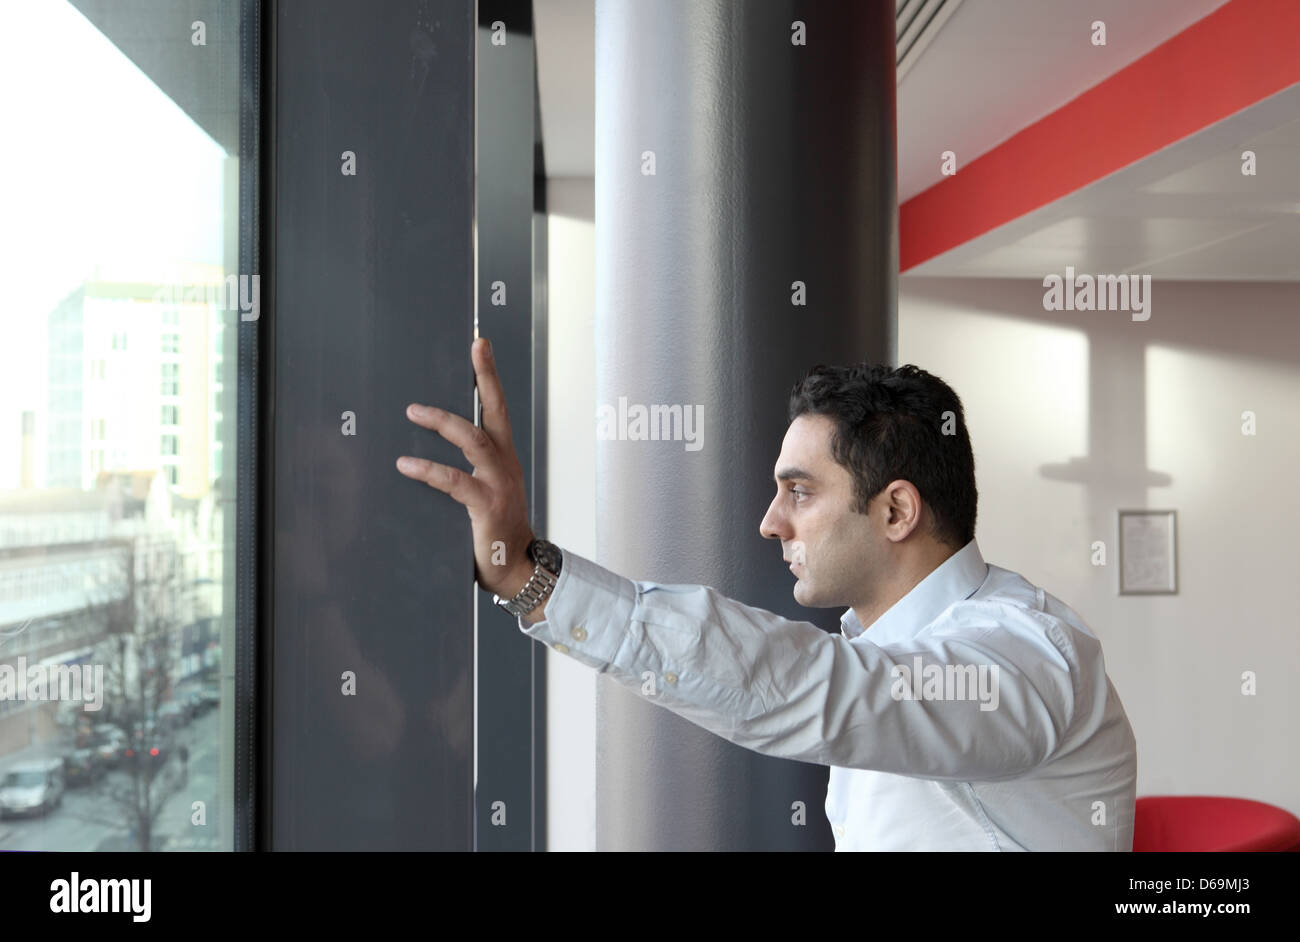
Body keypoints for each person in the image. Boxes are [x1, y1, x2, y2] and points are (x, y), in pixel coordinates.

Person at [396, 337, 1137, 851]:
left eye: (800, 493)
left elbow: (822, 691)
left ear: (896, 511)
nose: (769, 521)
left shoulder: (1030, 653)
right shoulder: (880, 651)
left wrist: (533, 576)